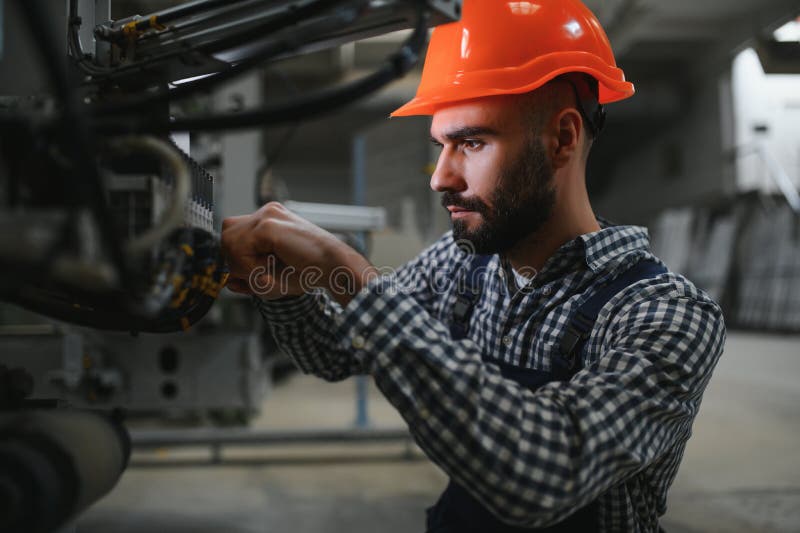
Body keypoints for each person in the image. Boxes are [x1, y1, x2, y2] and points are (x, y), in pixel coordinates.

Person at [221, 1, 726, 531]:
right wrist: (284, 286)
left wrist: (344, 267)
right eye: (441, 146)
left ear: (563, 138)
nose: (440, 177)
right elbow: (333, 351)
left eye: (472, 142)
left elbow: (547, 474)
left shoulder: (666, 314)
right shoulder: (462, 265)